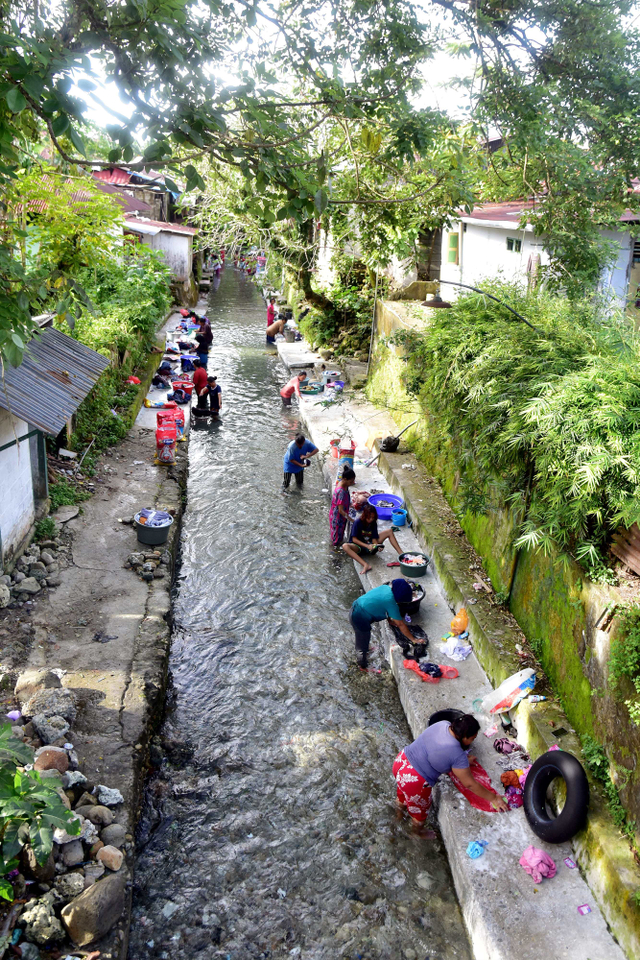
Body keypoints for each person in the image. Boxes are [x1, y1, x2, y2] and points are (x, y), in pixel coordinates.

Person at [393, 714, 509, 824]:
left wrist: (462, 762)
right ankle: (416, 833)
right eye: (472, 738)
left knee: (402, 797)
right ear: (464, 737)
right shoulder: (457, 755)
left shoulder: (443, 724)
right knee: (419, 815)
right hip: (414, 781)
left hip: (401, 761)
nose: (472, 741)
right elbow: (470, 784)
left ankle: (398, 816)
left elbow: (438, 752)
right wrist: (493, 798)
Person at [349, 579, 421, 670]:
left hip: (357, 606)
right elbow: (401, 624)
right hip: (358, 617)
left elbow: (382, 605)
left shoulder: (386, 588)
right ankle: (362, 666)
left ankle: (366, 649)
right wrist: (413, 639)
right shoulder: (391, 603)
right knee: (361, 644)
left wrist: (390, 620)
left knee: (365, 638)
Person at [342, 503, 403, 574]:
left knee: (389, 531)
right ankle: (365, 565)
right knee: (345, 546)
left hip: (370, 545)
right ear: (364, 515)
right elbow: (354, 539)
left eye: (373, 517)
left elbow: (374, 538)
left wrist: (377, 546)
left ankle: (401, 554)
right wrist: (367, 546)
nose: (371, 519)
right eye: (369, 517)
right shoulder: (357, 522)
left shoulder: (373, 523)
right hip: (358, 547)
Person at [330, 467, 356, 546]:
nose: (352, 483)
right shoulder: (341, 491)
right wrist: (351, 520)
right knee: (336, 539)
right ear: (345, 479)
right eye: (351, 481)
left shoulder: (344, 484)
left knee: (339, 535)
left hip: (341, 515)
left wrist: (350, 504)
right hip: (338, 517)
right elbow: (341, 511)